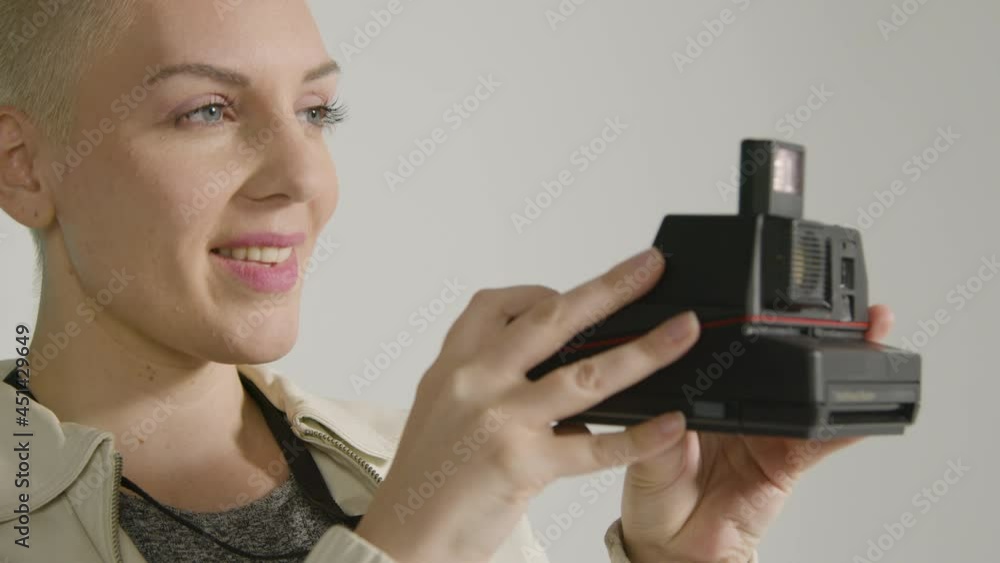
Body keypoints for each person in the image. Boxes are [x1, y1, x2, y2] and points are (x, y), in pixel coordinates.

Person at [0, 1, 894, 562]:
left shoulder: (424, 458)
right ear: (24, 166)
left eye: (316, 112)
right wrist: (406, 545)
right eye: (207, 110)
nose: (305, 180)